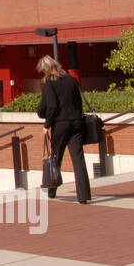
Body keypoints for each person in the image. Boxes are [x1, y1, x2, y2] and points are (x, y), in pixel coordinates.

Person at [35, 55, 92, 203]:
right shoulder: (71, 80)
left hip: (60, 124)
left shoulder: (50, 83)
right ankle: (84, 196)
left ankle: (51, 190)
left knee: (55, 158)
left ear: (46, 69)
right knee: (78, 159)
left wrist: (47, 124)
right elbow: (78, 103)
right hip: (76, 123)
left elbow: (52, 106)